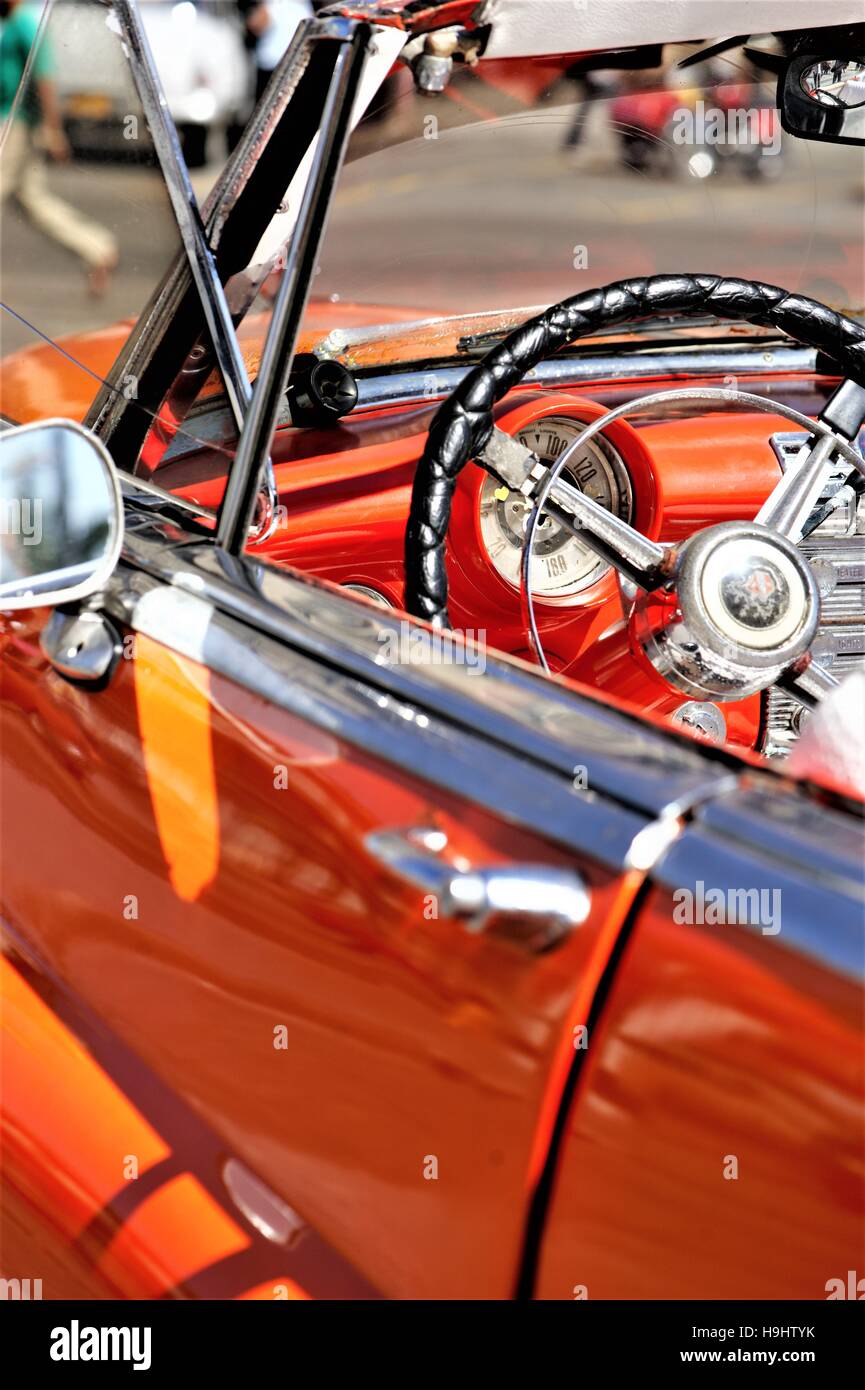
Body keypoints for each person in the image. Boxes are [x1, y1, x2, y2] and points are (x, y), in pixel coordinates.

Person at [0, 0, 117, 296]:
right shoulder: (12, 22)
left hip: (15, 124)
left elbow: (45, 77)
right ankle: (96, 249)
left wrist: (53, 128)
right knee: (32, 199)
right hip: (13, 122)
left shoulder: (25, 23)